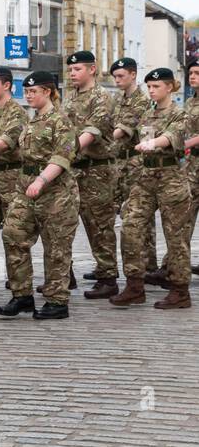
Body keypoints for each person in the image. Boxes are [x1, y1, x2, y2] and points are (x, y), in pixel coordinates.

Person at [0, 71, 79, 320]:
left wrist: (42, 179)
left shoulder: (61, 121)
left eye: (33, 91)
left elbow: (63, 155)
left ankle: (57, 301)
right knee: (13, 234)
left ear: (47, 91)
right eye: (26, 91)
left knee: (55, 247)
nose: (28, 95)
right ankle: (22, 295)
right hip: (26, 189)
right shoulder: (32, 122)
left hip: (56, 192)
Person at [111, 68, 191, 310]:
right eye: (149, 87)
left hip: (171, 178)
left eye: (156, 86)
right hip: (145, 178)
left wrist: (151, 143)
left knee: (175, 236)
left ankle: (180, 290)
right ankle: (135, 285)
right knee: (131, 227)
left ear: (169, 87)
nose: (152, 91)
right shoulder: (146, 113)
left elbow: (170, 137)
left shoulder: (179, 114)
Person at [63, 51, 120, 298]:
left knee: (99, 225)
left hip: (97, 171)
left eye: (77, 70)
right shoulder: (70, 98)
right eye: (71, 70)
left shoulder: (102, 98)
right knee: (63, 222)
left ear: (92, 70)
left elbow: (91, 132)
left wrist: (64, 153)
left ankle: (108, 277)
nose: (73, 74)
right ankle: (64, 275)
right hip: (72, 170)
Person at [108, 58, 160, 282]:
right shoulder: (118, 99)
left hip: (136, 163)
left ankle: (149, 265)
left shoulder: (143, 101)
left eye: (121, 76)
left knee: (141, 216)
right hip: (119, 164)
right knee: (123, 214)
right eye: (115, 77)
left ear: (133, 74)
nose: (117, 81)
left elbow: (122, 131)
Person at [0, 68, 29, 295]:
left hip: (13, 175)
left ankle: (18, 281)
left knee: (14, 231)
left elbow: (3, 143)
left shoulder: (17, 113)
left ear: (7, 85)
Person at [185, 58, 199, 271]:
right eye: (191, 73)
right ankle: (175, 263)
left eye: (197, 73)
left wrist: (182, 143)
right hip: (192, 164)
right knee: (184, 215)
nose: (193, 77)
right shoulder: (190, 102)